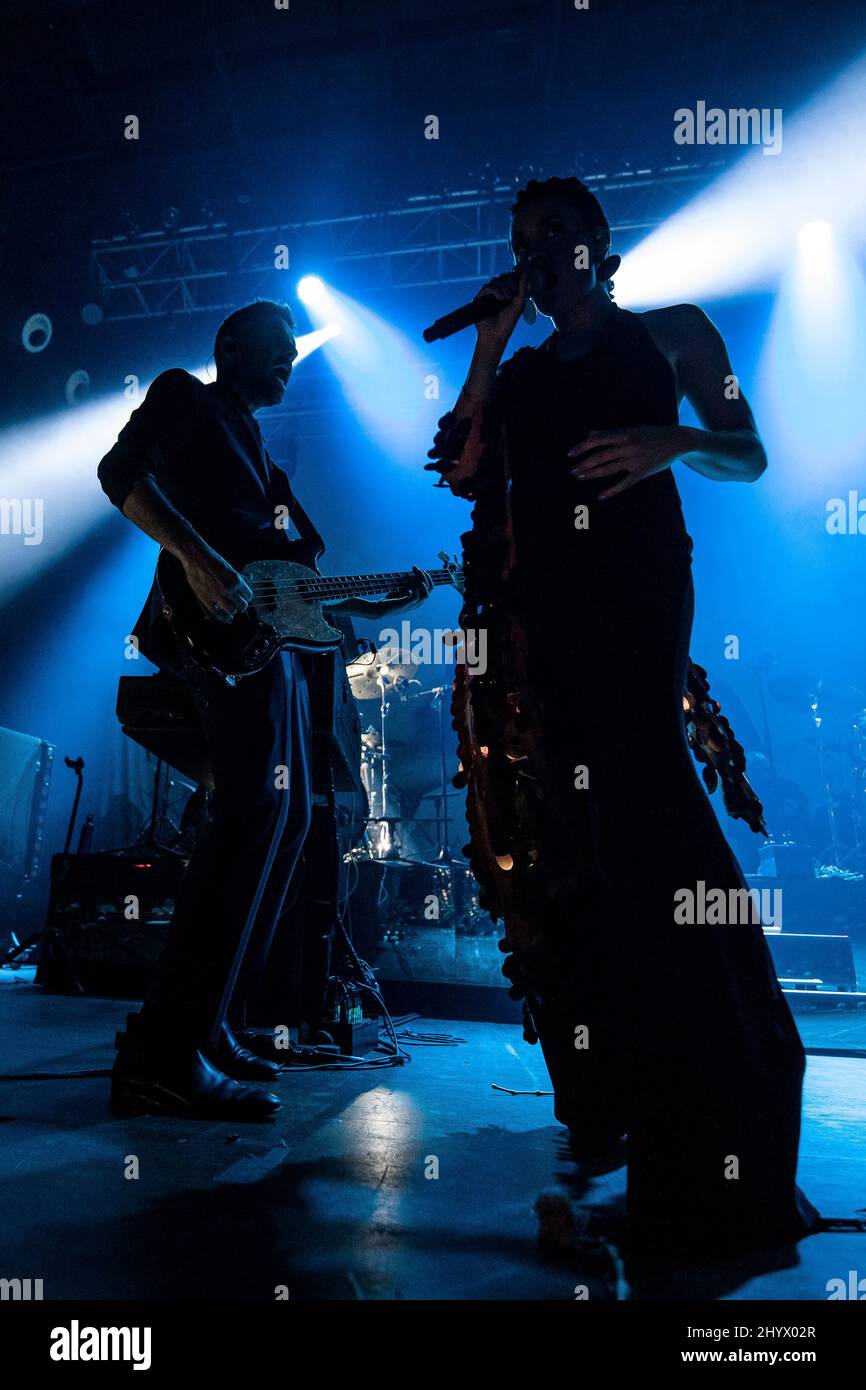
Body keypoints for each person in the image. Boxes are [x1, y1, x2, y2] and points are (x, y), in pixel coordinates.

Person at [426, 177, 819, 1257]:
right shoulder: (519, 378)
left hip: (638, 596)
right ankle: (652, 1125)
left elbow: (745, 449)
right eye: (520, 242)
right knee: (590, 860)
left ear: (601, 246)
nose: (538, 252)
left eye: (555, 235)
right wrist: (490, 342)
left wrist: (668, 440)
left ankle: (736, 1109)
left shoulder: (675, 335)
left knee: (652, 823)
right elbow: (457, 464)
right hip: (542, 628)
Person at [99, 298, 430, 1120]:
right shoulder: (186, 395)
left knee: (280, 826)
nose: (291, 360)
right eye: (276, 348)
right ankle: (165, 1050)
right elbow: (119, 474)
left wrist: (380, 606)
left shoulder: (263, 456)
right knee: (250, 818)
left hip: (272, 649)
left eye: (295, 351)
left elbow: (300, 585)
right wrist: (197, 558)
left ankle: (208, 1029)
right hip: (213, 636)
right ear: (228, 346)